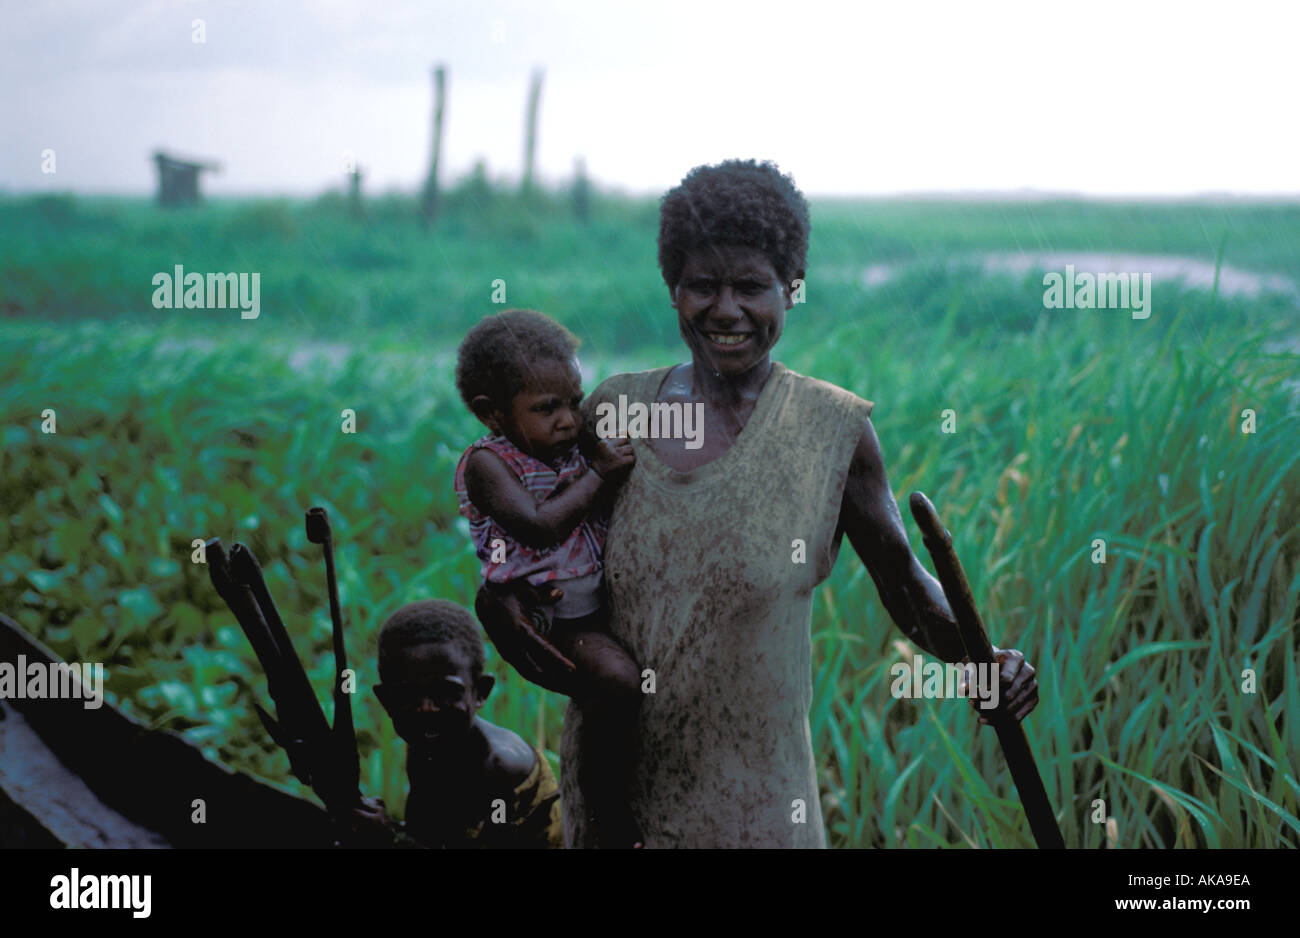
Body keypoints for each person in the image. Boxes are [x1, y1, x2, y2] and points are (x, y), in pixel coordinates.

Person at [476, 159, 1041, 848]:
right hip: (616, 806)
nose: (725, 310)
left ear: (791, 290)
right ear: (672, 290)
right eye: (701, 286)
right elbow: (531, 538)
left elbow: (906, 586)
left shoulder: (830, 432)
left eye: (750, 286)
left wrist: (986, 661)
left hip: (760, 809)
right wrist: (502, 610)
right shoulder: (616, 411)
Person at [453, 310, 644, 846]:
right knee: (619, 681)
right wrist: (601, 473)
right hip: (554, 614)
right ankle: (604, 797)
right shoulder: (489, 465)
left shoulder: (568, 445)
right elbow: (539, 528)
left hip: (591, 602)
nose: (567, 419)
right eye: (546, 409)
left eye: (573, 402)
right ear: (491, 415)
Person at [342, 599, 562, 848]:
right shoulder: (426, 743)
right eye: (407, 695)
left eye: (446, 691)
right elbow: (424, 832)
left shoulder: (501, 767)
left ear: (480, 692)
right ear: (386, 701)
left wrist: (392, 836)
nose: (426, 708)